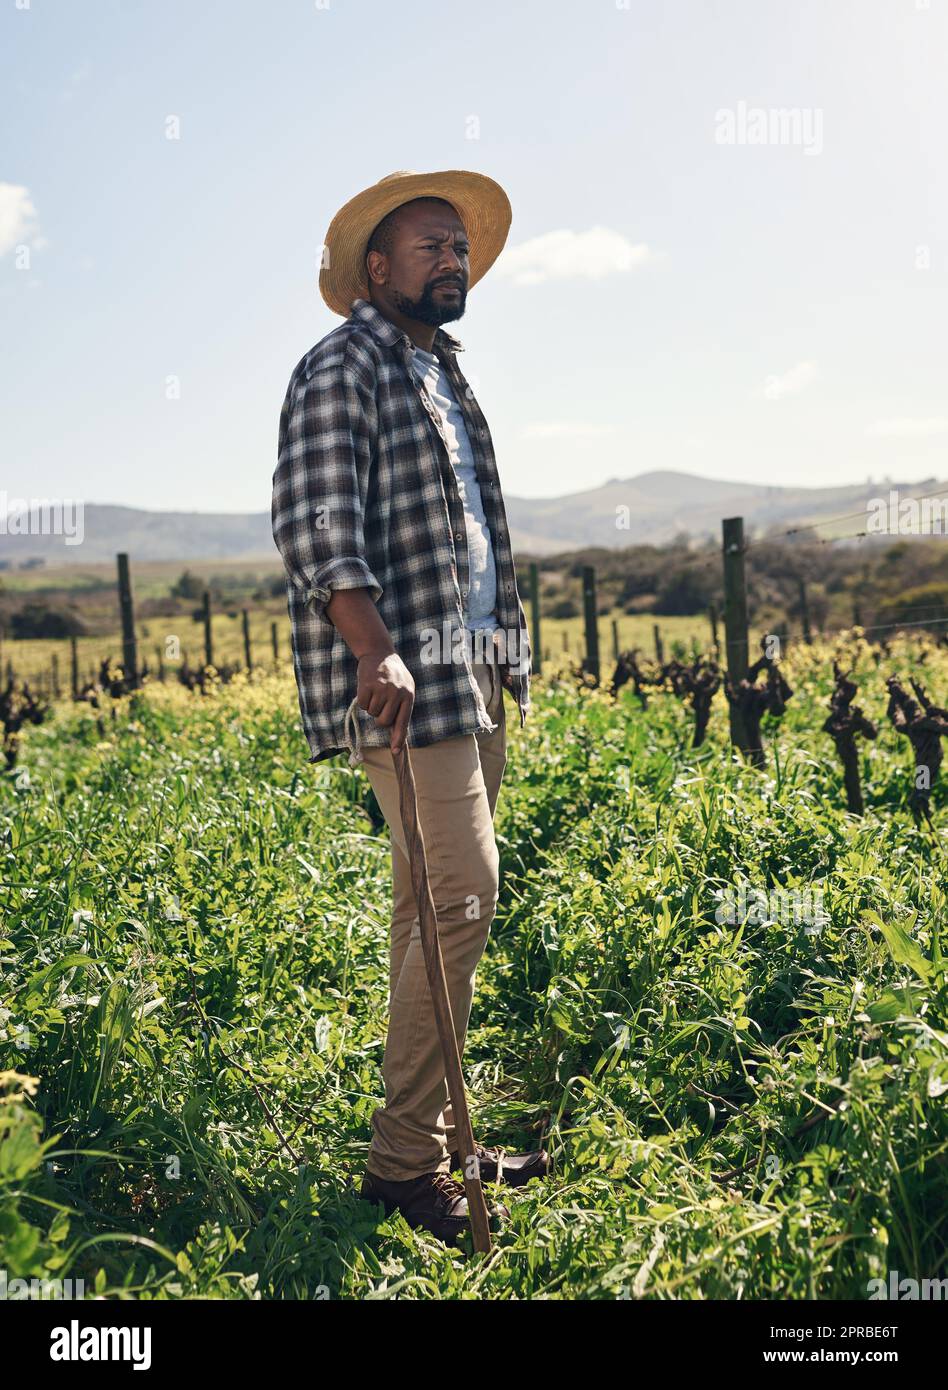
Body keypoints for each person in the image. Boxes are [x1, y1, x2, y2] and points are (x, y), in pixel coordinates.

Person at [272, 170, 549, 1244]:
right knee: (463, 893)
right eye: (430, 245)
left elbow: (474, 528)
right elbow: (314, 523)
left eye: (460, 246)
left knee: (429, 908)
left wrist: (499, 656)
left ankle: (428, 1135)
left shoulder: (444, 375)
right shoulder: (342, 365)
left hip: (469, 667)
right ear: (374, 270)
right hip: (405, 680)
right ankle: (402, 1166)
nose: (452, 259)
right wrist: (376, 653)